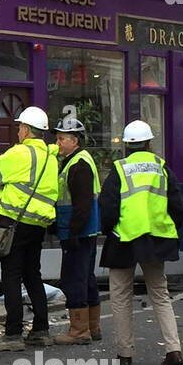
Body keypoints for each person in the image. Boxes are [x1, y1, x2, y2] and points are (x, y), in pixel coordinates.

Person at [99, 120, 183, 365]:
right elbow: (178, 207)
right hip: (155, 240)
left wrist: (110, 231)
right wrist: (166, 229)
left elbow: (107, 207)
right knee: (160, 294)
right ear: (149, 143)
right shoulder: (161, 167)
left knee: (120, 296)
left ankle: (124, 353)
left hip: (123, 239)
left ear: (126, 145)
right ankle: (173, 349)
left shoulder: (120, 169)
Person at [0, 106, 58, 351]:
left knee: (12, 277)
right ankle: (41, 330)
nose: (17, 131)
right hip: (38, 225)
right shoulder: (50, 156)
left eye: (19, 127)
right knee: (32, 275)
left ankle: (13, 335)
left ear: (26, 130)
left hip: (15, 223)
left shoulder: (20, 153)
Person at [53, 117, 101, 344]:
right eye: (58, 138)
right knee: (86, 278)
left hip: (78, 232)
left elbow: (81, 204)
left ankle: (79, 331)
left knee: (74, 280)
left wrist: (72, 232)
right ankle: (93, 327)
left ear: (75, 141)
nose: (58, 142)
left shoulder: (78, 165)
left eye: (62, 138)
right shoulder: (77, 161)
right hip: (85, 231)